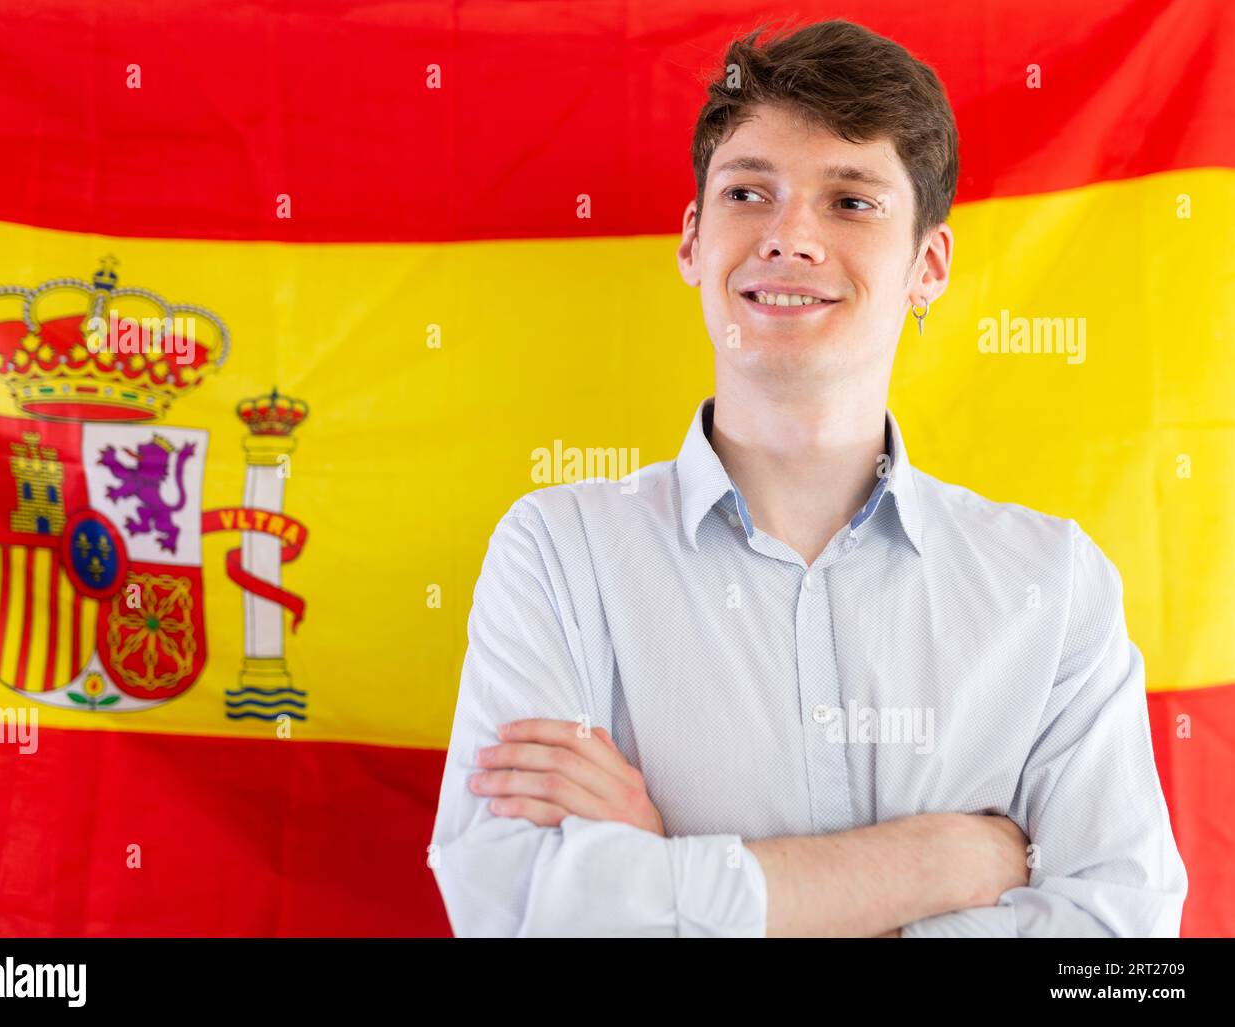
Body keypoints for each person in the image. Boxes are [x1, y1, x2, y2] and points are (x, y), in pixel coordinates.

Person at [428, 18, 1187, 937]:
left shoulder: (1055, 585)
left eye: (852, 201)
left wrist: (664, 878)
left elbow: (1121, 959)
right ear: (692, 242)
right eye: (750, 192)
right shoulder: (557, 554)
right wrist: (936, 863)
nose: (789, 237)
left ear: (929, 266)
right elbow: (509, 910)